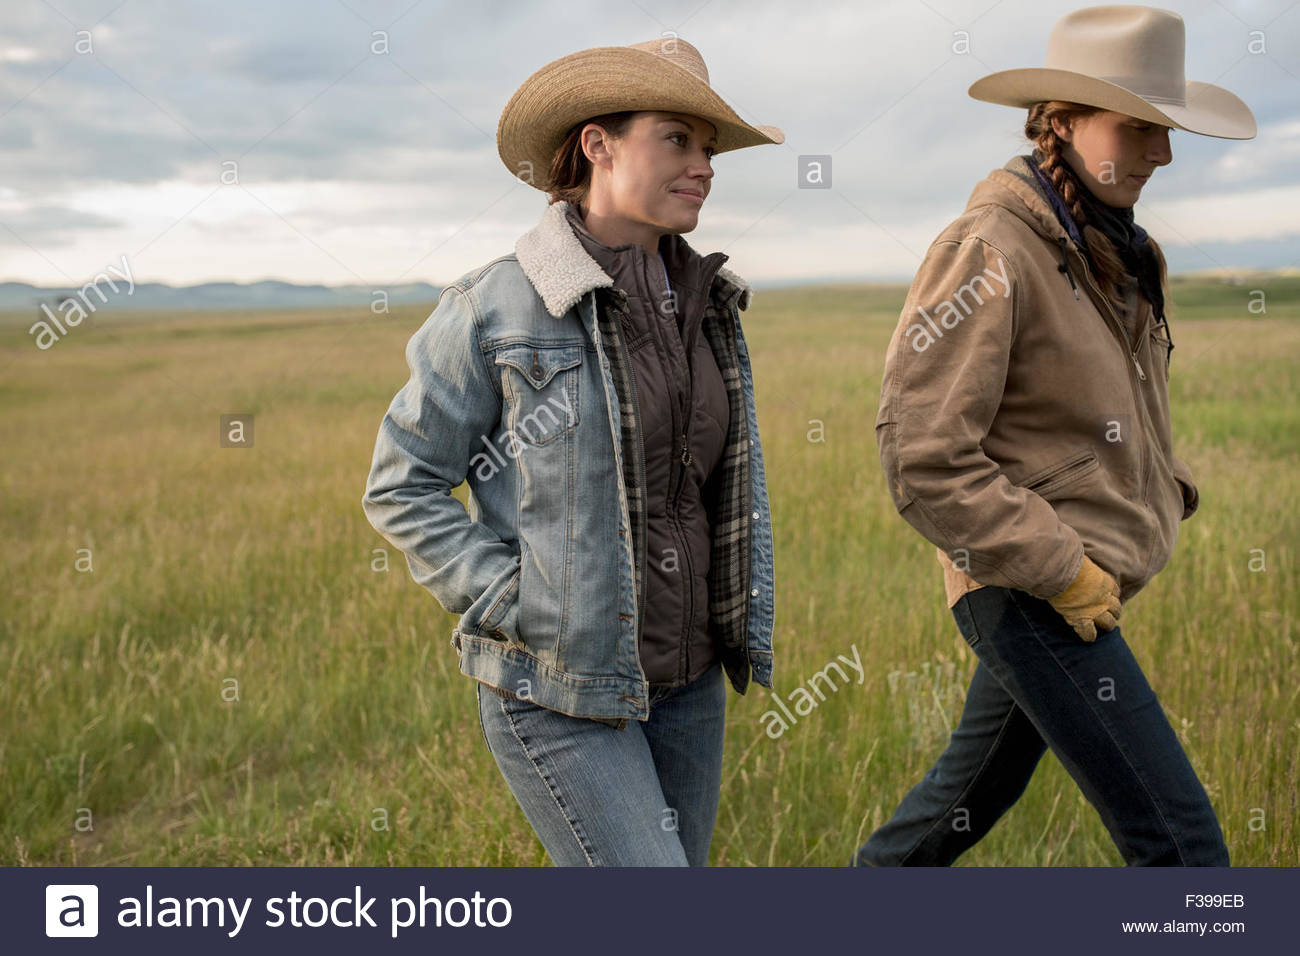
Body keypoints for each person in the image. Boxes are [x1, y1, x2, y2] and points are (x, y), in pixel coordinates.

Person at [362, 37, 782, 866]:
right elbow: (401, 484)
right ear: (597, 144)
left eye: (709, 147)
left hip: (690, 683)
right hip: (557, 689)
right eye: (677, 138)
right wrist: (518, 602)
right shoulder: (497, 306)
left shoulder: (709, 302)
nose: (703, 165)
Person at [857, 5, 1255, 866]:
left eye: (1167, 128)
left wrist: (1162, 493)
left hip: (1070, 587)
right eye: (1141, 126)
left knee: (953, 812)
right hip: (1030, 591)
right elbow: (923, 454)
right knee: (1185, 852)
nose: (1164, 152)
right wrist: (1063, 568)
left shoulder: (1121, 250)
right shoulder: (989, 248)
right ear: (1062, 122)